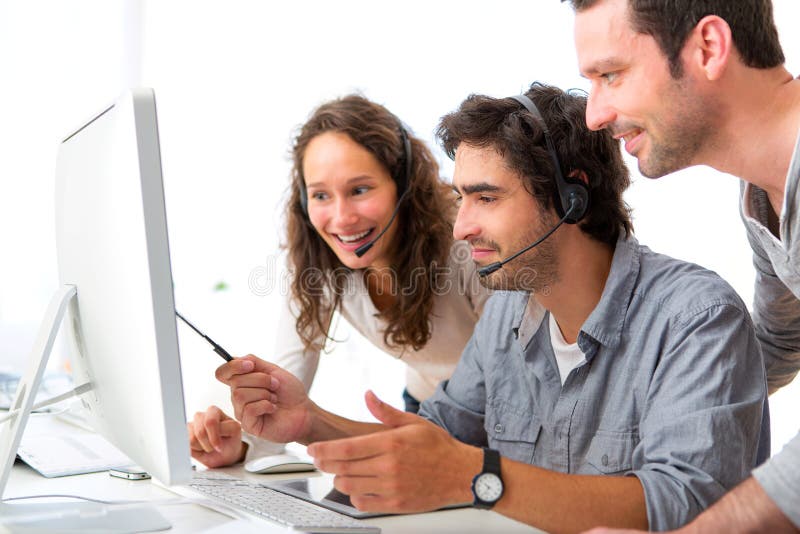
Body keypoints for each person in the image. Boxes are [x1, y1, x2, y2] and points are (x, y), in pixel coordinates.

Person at [215, 83, 769, 532]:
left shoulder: (695, 319)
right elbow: (431, 442)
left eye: (485, 197)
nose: (461, 227)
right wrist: (310, 421)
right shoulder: (508, 312)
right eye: (461, 199)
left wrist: (479, 477)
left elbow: (687, 506)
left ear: (570, 197)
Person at [566, 0, 800, 531]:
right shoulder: (763, 194)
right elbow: (781, 342)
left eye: (611, 75)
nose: (594, 116)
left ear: (709, 48)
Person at [187, 95, 490, 468]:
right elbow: (288, 386)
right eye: (320, 195)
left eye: (359, 190)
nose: (342, 218)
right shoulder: (319, 259)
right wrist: (243, 442)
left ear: (404, 185)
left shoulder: (468, 243)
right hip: (425, 410)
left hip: (498, 414)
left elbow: (510, 384)